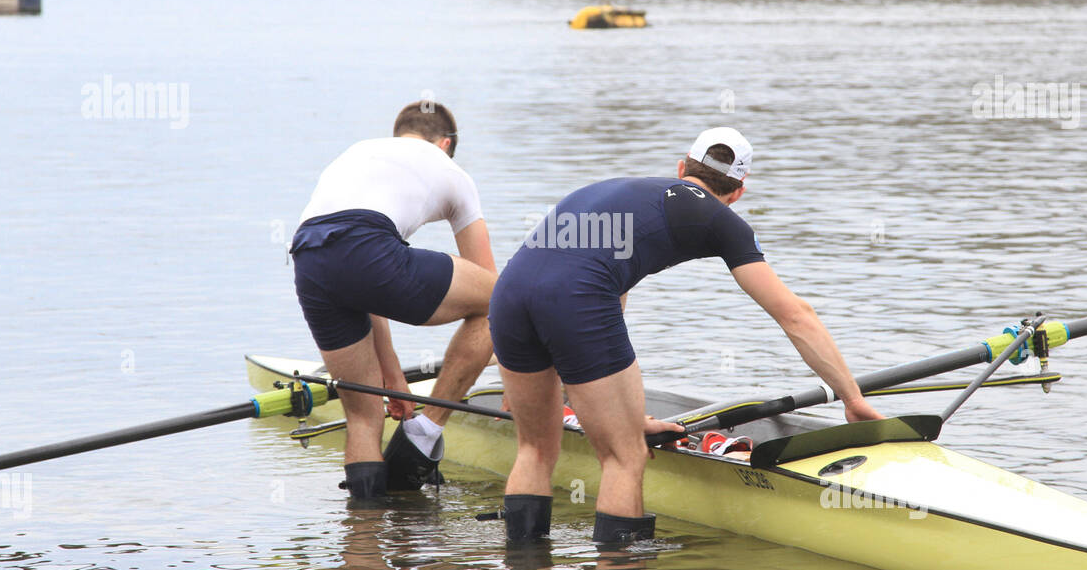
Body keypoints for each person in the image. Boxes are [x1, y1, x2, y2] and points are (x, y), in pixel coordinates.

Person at [488, 127, 883, 544]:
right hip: (575, 299)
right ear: (738, 193)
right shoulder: (723, 222)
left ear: (681, 168)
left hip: (508, 297)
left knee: (534, 448)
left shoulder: (616, 189)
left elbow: (585, 281)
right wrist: (852, 399)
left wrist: (616, 410)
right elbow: (795, 316)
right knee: (624, 457)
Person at [290, 102, 497, 500]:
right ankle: (427, 429)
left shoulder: (355, 153)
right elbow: (495, 291)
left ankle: (364, 538)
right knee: (501, 302)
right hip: (367, 245)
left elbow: (363, 290)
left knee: (363, 416)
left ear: (398, 133)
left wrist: (395, 380)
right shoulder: (451, 171)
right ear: (446, 144)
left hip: (309, 259)